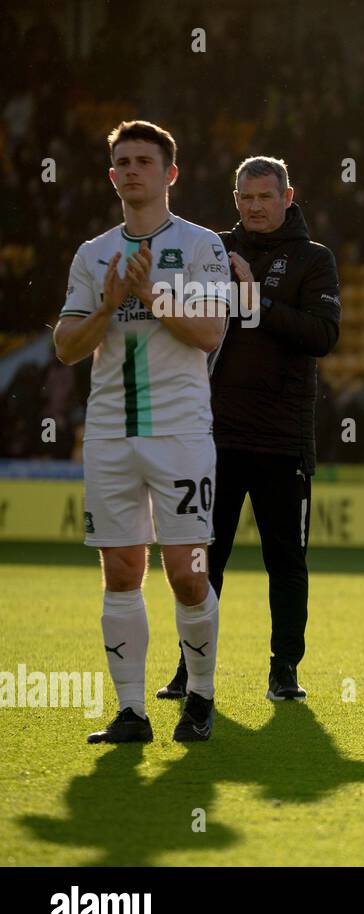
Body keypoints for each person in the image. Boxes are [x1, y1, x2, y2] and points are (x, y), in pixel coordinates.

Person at [54, 120, 229, 743]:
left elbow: (210, 334)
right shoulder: (92, 253)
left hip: (181, 431)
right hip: (109, 434)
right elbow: (67, 348)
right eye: (122, 162)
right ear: (111, 176)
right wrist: (106, 305)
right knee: (123, 571)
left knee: (187, 572)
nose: (132, 170)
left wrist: (149, 292)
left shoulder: (202, 245)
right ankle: (132, 713)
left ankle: (201, 697)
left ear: (169, 174)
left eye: (144, 162)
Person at [157, 156, 340, 702]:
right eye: (245, 197)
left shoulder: (314, 259)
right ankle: (190, 670)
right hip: (211, 437)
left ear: (288, 196)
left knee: (285, 560)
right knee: (203, 559)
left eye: (265, 196)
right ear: (234, 198)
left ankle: (284, 670)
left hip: (284, 439)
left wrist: (253, 295)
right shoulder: (208, 250)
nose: (255, 207)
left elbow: (322, 334)